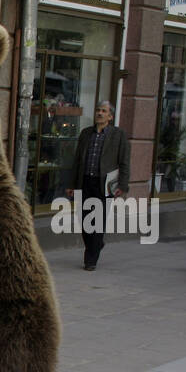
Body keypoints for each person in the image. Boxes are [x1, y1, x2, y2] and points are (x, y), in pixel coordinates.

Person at [65, 100, 130, 271]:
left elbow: (124, 162)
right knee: (84, 218)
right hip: (85, 181)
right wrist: (72, 184)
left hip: (105, 184)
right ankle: (97, 243)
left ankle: (90, 260)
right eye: (98, 110)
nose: (99, 113)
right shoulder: (86, 133)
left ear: (110, 116)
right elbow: (77, 160)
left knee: (98, 221)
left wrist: (122, 185)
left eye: (103, 111)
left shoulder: (118, 135)